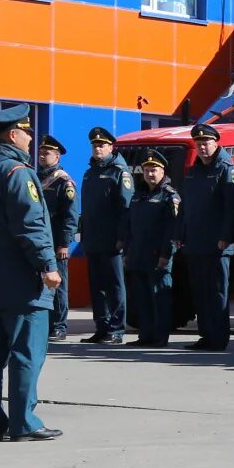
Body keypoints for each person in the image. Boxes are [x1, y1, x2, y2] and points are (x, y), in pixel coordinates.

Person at [0, 104, 64, 442]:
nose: (30, 138)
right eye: (27, 131)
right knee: (26, 352)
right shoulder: (14, 172)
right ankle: (24, 422)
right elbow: (31, 224)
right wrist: (47, 266)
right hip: (22, 283)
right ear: (12, 134)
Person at [177, 123, 234, 352]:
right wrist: (180, 234)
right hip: (195, 241)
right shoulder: (194, 171)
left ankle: (219, 337)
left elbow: (231, 207)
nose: (202, 147)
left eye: (206, 143)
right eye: (199, 143)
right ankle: (206, 335)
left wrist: (226, 236)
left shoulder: (226, 169)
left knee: (217, 292)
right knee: (200, 291)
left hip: (217, 243)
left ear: (216, 143)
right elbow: (186, 206)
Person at [77, 128, 132, 346]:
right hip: (93, 240)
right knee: (97, 286)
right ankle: (102, 327)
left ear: (111, 147)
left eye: (102, 145)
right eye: (94, 145)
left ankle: (116, 330)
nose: (97, 148)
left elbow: (125, 209)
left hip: (112, 240)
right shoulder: (89, 173)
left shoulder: (119, 172)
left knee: (115, 286)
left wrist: (121, 238)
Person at [122, 149, 180, 348]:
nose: (150, 174)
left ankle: (159, 337)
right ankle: (145, 335)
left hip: (158, 257)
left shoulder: (169, 197)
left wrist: (166, 254)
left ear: (163, 171)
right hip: (138, 255)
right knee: (142, 299)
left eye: (154, 170)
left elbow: (173, 229)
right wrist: (127, 252)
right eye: (146, 170)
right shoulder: (139, 195)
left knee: (159, 299)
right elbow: (130, 227)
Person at [37, 135, 79, 341]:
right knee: (39, 283)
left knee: (58, 285)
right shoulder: (36, 178)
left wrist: (64, 242)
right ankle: (44, 324)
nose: (43, 156)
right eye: (41, 152)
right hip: (39, 240)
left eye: (47, 153)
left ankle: (59, 326)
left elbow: (70, 215)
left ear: (57, 156)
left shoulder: (64, 181)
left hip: (55, 241)